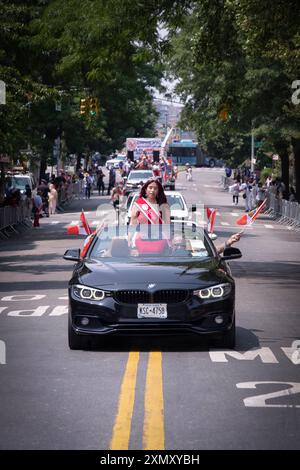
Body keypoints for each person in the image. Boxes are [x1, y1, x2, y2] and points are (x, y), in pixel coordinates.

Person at [129, 179, 170, 253]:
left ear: (158, 191)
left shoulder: (163, 206)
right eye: (150, 187)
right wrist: (129, 239)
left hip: (160, 239)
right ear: (145, 189)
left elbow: (167, 225)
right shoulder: (138, 204)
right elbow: (132, 224)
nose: (152, 190)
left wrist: (170, 240)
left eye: (155, 188)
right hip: (141, 238)